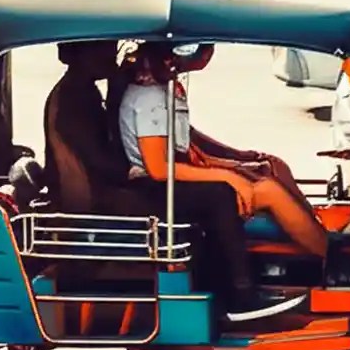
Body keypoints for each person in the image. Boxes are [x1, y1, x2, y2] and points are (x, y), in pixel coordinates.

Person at [114, 41, 325, 329]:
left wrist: (236, 161)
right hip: (152, 188)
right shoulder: (150, 97)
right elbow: (159, 168)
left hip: (165, 181)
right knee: (259, 191)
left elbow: (187, 137)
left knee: (270, 169)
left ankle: (317, 240)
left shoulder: (164, 90)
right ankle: (252, 292)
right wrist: (229, 175)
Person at [43, 41, 139, 212]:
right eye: (104, 47)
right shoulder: (73, 98)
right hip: (87, 197)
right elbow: (103, 162)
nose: (112, 53)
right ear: (80, 53)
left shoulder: (84, 91)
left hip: (95, 189)